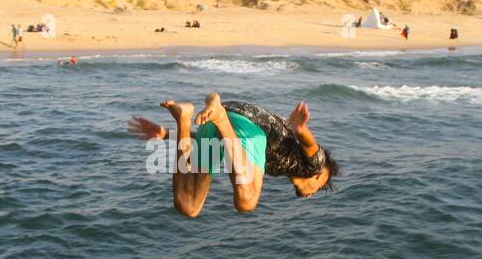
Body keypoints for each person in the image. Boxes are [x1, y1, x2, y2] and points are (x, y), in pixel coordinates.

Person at [128, 93, 339, 217]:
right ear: (321, 176)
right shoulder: (315, 166)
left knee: (188, 205)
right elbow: (311, 146)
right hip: (250, 126)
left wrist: (166, 134)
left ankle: (183, 117)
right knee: (246, 202)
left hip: (225, 118)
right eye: (318, 188)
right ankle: (219, 116)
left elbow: (233, 143)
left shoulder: (282, 166)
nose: (311, 194)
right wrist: (300, 129)